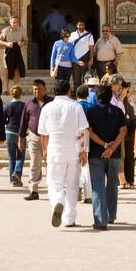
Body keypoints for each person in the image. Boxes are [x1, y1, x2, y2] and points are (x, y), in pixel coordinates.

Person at [37, 81, 90, 228]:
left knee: (54, 183)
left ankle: (58, 202)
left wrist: (45, 149)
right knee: (72, 185)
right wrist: (84, 151)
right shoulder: (76, 106)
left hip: (55, 150)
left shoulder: (47, 108)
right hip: (74, 150)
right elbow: (84, 130)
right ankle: (69, 218)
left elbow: (43, 133)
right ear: (68, 91)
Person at [85, 82, 128, 230]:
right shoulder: (118, 111)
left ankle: (100, 220)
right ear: (110, 96)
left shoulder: (91, 111)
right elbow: (123, 131)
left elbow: (89, 132)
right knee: (112, 185)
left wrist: (104, 145)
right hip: (114, 154)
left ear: (96, 97)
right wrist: (113, 146)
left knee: (98, 187)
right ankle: (111, 215)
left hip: (96, 153)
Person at [19, 79, 50, 200]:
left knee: (51, 164)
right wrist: (20, 138)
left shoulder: (52, 102)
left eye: (39, 89)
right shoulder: (29, 104)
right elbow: (23, 122)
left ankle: (53, 188)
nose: (37, 91)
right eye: (35, 89)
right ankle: (33, 190)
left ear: (45, 89)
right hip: (34, 137)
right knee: (34, 164)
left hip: (50, 138)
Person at [0, 15, 28, 93]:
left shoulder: (22, 30)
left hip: (17, 51)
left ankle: (16, 89)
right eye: (14, 22)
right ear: (10, 22)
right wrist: (7, 44)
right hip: (8, 51)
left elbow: (26, 41)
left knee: (17, 69)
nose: (15, 24)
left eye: (17, 22)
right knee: (7, 70)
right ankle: (5, 89)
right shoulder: (5, 30)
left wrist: (22, 43)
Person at [4, 84, 26, 186]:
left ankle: (12, 180)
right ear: (20, 94)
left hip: (9, 132)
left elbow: (3, 119)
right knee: (21, 156)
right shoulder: (24, 106)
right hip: (20, 134)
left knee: (11, 157)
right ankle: (17, 173)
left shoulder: (7, 106)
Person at [118, 80, 136, 189]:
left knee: (130, 156)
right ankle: (122, 180)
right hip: (120, 130)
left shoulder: (129, 100)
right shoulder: (117, 99)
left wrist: (128, 97)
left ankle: (130, 180)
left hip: (130, 129)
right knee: (122, 156)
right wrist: (122, 97)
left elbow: (133, 112)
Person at [68, 19, 95, 90]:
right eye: (80, 25)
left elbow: (91, 48)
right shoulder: (72, 35)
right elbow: (69, 48)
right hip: (75, 61)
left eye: (82, 25)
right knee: (76, 80)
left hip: (85, 60)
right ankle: (77, 96)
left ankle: (85, 96)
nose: (81, 26)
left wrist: (91, 59)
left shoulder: (89, 35)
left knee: (86, 80)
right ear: (77, 25)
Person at [49, 28, 74, 95]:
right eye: (66, 36)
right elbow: (53, 56)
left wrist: (78, 61)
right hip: (58, 66)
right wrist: (52, 66)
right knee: (58, 84)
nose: (68, 38)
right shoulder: (57, 43)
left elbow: (72, 56)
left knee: (66, 84)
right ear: (62, 36)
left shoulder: (71, 45)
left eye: (69, 36)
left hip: (68, 67)